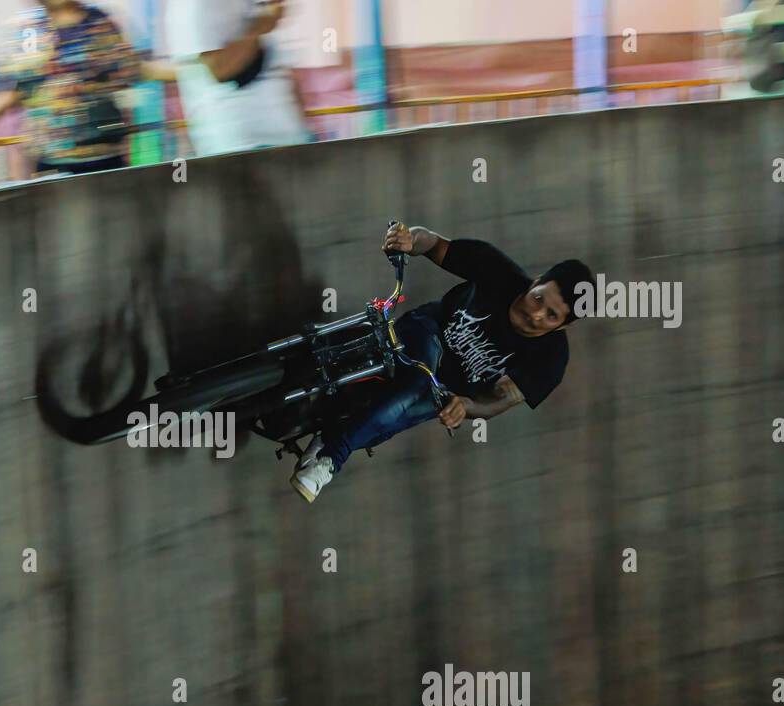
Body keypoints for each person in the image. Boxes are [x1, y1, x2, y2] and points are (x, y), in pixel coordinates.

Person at [291, 222, 596, 503]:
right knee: (413, 387)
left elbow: (501, 398)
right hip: (427, 334)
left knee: (393, 422)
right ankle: (332, 459)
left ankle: (327, 439)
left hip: (447, 389)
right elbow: (435, 244)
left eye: (551, 316)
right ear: (538, 282)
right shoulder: (499, 272)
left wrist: (467, 407)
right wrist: (411, 240)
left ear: (562, 326)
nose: (537, 314)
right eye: (539, 298)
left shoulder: (551, 358)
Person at [0, 1, 164, 177]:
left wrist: (185, 70)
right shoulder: (26, 30)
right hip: (51, 161)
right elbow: (11, 89)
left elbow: (134, 69)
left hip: (105, 157)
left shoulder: (100, 22)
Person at [165, 0, 310, 156]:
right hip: (243, 144)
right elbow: (219, 69)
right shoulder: (195, 5)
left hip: (287, 137)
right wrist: (263, 23)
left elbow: (272, 60)